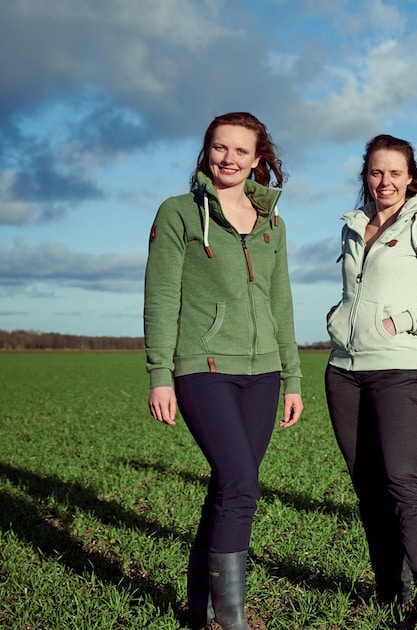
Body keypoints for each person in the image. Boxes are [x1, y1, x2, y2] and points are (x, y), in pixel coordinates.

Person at [144, 112, 303, 630]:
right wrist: (159, 374)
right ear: (206, 151)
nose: (228, 159)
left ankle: (199, 609)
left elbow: (281, 303)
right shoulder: (179, 214)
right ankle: (230, 622)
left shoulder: (274, 226)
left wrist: (293, 378)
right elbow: (163, 296)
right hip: (202, 368)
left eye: (240, 151)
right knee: (241, 483)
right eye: (219, 148)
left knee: (226, 487)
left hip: (263, 374)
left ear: (259, 159)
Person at [325, 135, 417, 629]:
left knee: (406, 484)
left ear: (410, 178)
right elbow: (353, 291)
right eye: (376, 173)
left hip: (399, 369)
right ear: (366, 175)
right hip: (343, 370)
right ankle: (390, 590)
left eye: (395, 173)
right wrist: (337, 317)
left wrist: (402, 321)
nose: (385, 182)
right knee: (368, 487)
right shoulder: (352, 226)